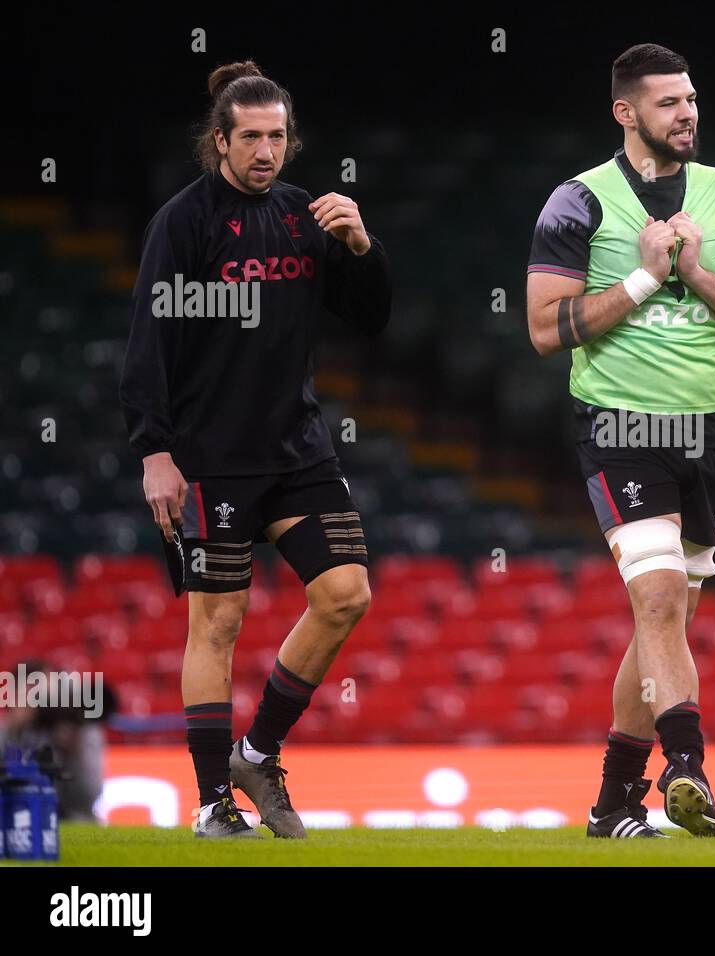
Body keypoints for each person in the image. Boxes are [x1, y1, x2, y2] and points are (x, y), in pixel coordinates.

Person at [526, 43, 715, 837]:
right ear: (625, 112)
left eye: (691, 99)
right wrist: (643, 278)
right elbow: (545, 329)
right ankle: (688, 767)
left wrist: (698, 274)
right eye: (670, 102)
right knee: (658, 597)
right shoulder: (578, 201)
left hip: (712, 429)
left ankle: (613, 805)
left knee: (663, 626)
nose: (688, 114)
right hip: (622, 426)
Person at [119, 61, 391, 838]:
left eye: (277, 136)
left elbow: (369, 319)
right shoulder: (185, 221)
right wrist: (154, 452)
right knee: (219, 621)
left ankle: (257, 749)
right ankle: (212, 803)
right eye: (251, 137)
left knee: (346, 594)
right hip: (210, 457)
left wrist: (362, 247)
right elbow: (148, 341)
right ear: (220, 141)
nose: (266, 150)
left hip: (299, 451)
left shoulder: (307, 216)